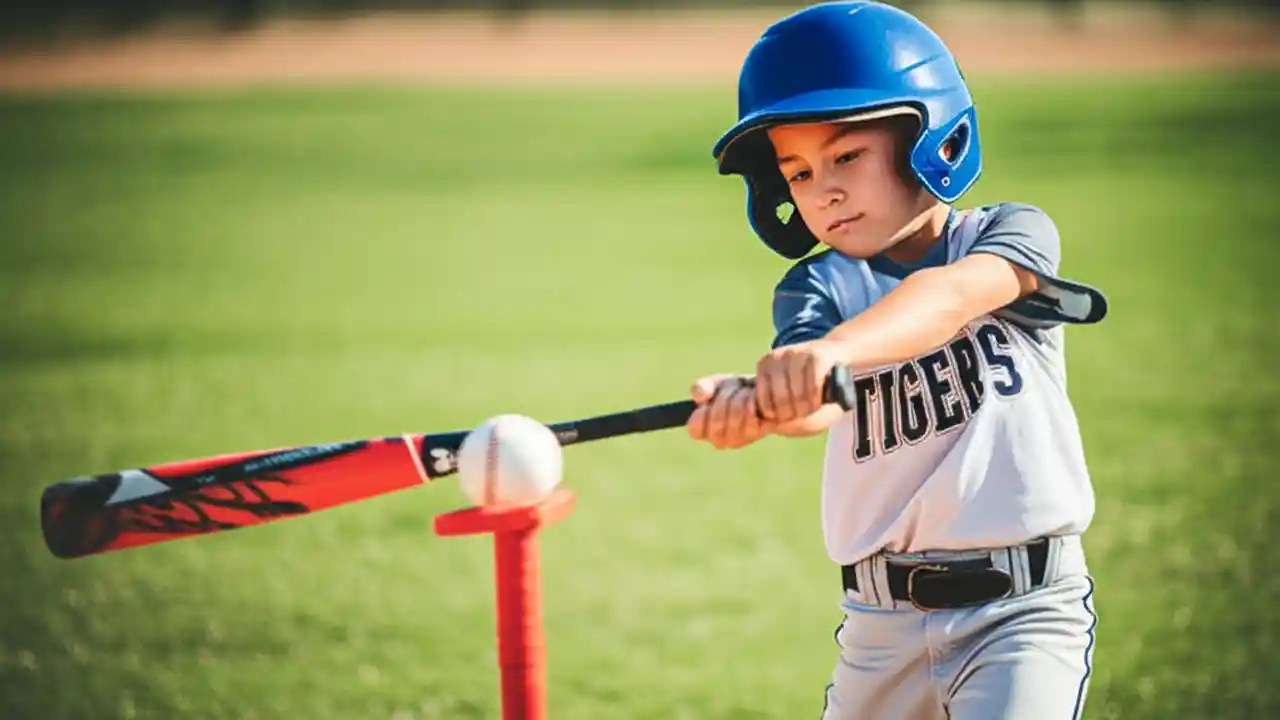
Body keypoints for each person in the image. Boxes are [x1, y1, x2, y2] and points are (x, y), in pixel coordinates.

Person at [685, 3, 1108, 719]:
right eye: (798, 173)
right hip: (879, 631)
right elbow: (814, 403)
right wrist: (763, 405)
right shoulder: (818, 286)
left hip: (1023, 614)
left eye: (846, 155)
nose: (825, 191)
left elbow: (950, 296)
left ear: (930, 135)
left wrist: (829, 352)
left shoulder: (1007, 234)